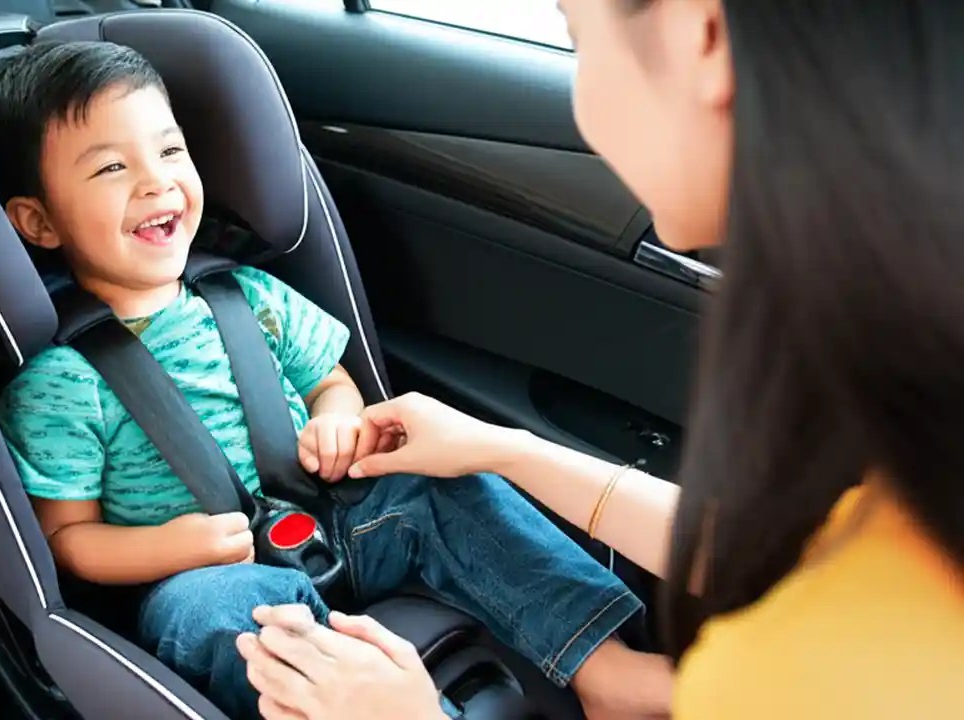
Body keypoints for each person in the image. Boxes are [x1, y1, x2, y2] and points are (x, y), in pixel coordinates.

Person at [236, 0, 964, 718]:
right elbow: (811, 545)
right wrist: (507, 451)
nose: (583, 104)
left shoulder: (776, 675)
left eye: (578, 42)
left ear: (700, 33)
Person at [0, 41, 673, 720]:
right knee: (214, 621)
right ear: (38, 222)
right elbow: (69, 541)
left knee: (456, 489)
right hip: (207, 572)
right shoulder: (58, 384)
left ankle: (605, 669)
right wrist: (173, 547)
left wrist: (337, 418)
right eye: (110, 170)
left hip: (340, 512)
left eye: (169, 150)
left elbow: (331, 384)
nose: (156, 181)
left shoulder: (249, 294)